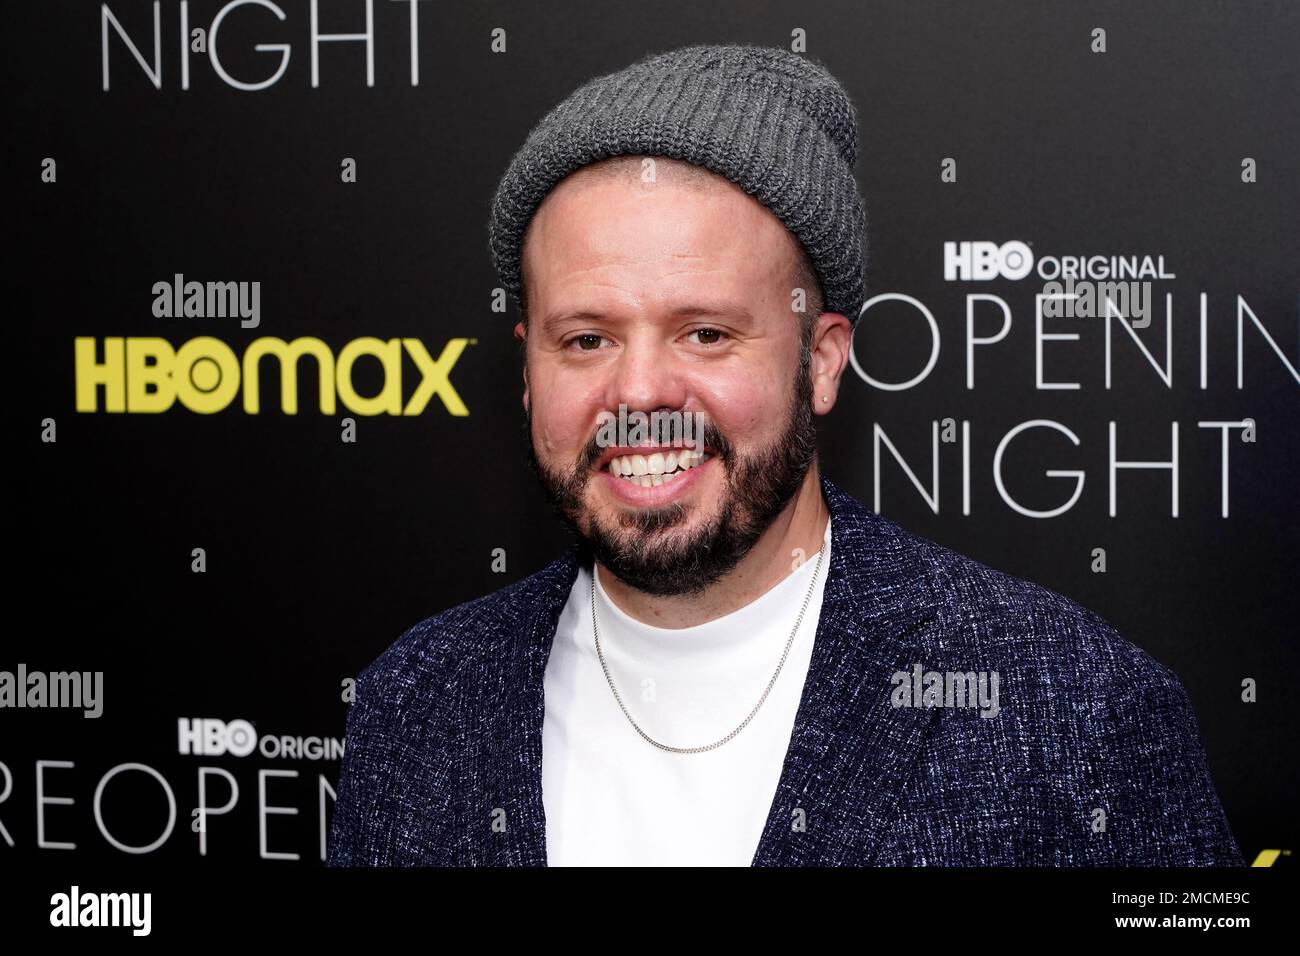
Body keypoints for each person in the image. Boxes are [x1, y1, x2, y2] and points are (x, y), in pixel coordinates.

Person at [327, 43, 1242, 866]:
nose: (639, 395)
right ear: (527, 371)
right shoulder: (414, 706)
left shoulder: (1074, 713)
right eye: (587, 340)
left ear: (822, 362)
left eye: (707, 333)